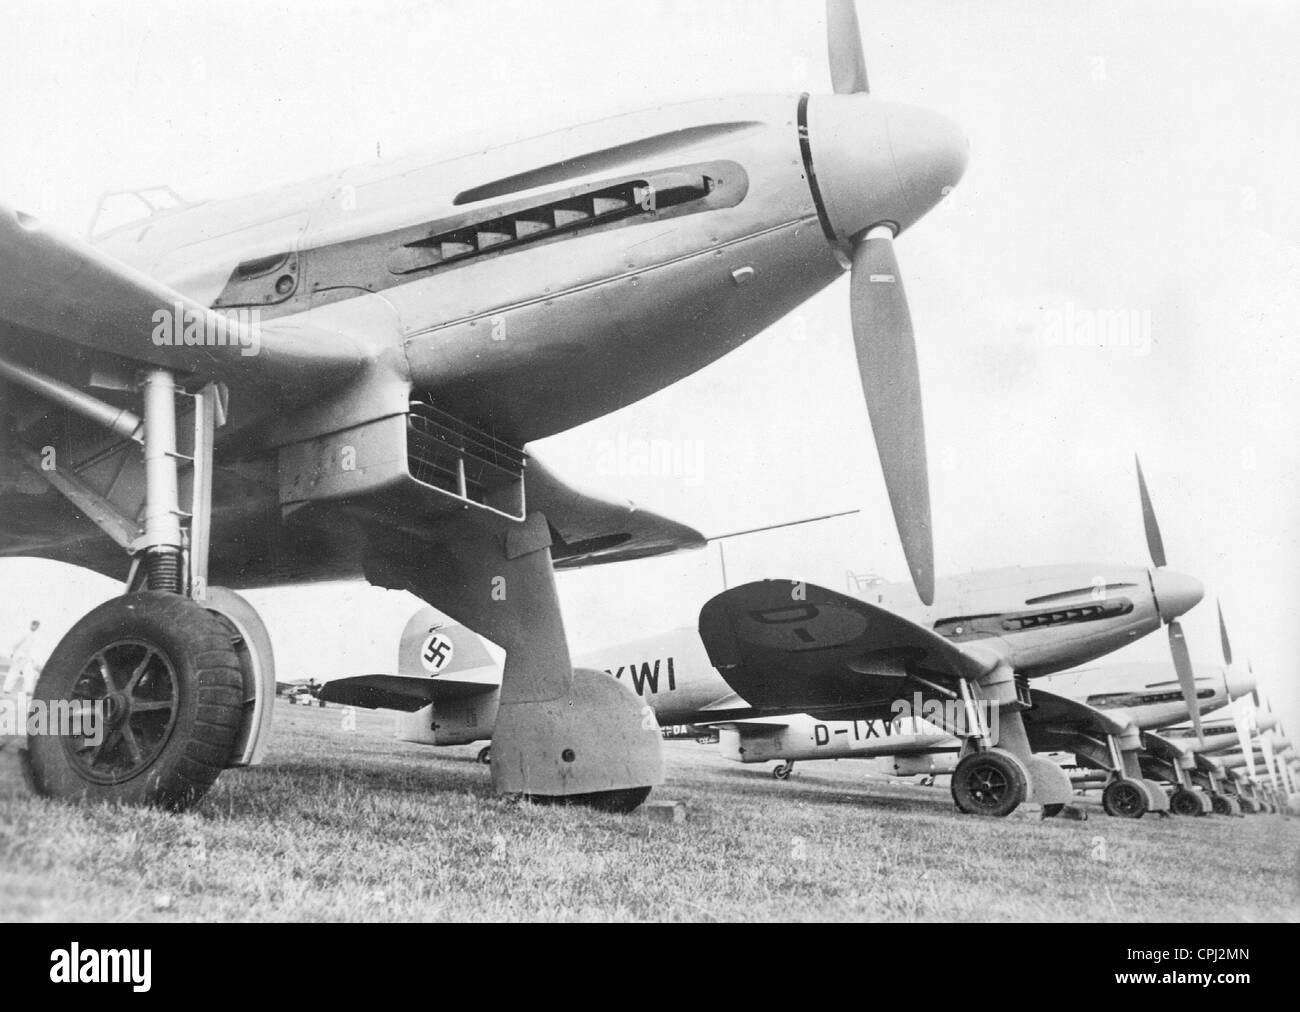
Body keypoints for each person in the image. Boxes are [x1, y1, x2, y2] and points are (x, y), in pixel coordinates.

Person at [3, 620, 42, 696]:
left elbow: (34, 649)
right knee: (14, 672)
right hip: (19, 656)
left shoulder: (35, 636)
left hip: (27, 657)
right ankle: (7, 689)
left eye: (37, 626)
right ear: (31, 624)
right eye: (34, 625)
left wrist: (33, 659)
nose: (35, 627)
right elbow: (16, 643)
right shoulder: (24, 633)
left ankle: (28, 690)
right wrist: (12, 653)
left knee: (29, 672)